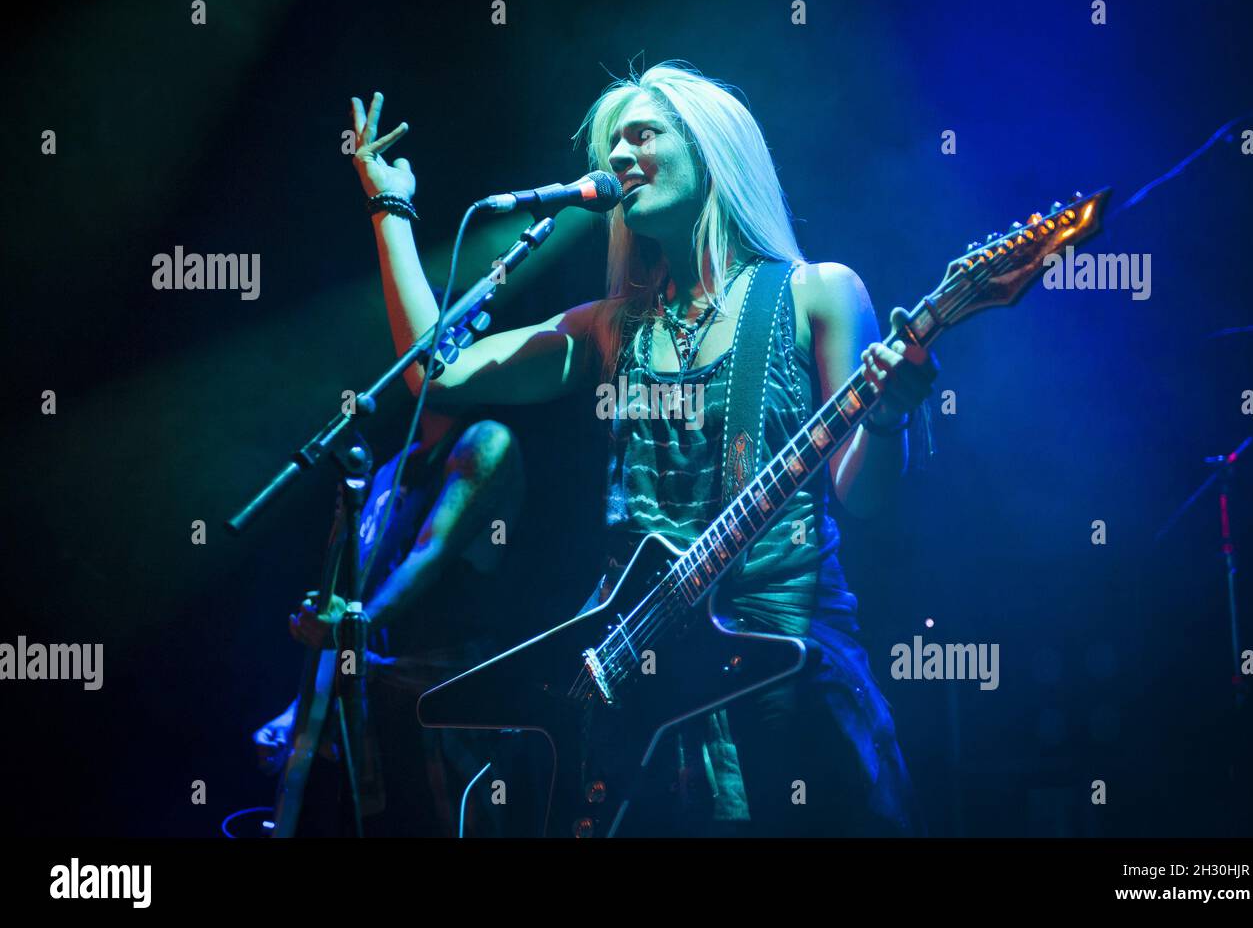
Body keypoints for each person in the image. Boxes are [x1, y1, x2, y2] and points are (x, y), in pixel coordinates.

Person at [345, 60, 937, 836]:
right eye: (611, 145)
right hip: (634, 680)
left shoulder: (817, 292)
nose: (620, 156)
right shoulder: (609, 326)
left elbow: (864, 498)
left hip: (781, 674)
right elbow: (436, 371)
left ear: (711, 148)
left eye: (644, 134)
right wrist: (390, 208)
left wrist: (889, 414)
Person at [253, 409, 527, 836]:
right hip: (375, 716)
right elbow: (349, 608)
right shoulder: (384, 471)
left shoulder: (485, 440)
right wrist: (298, 715)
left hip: (440, 707)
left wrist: (347, 628)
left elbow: (429, 554)